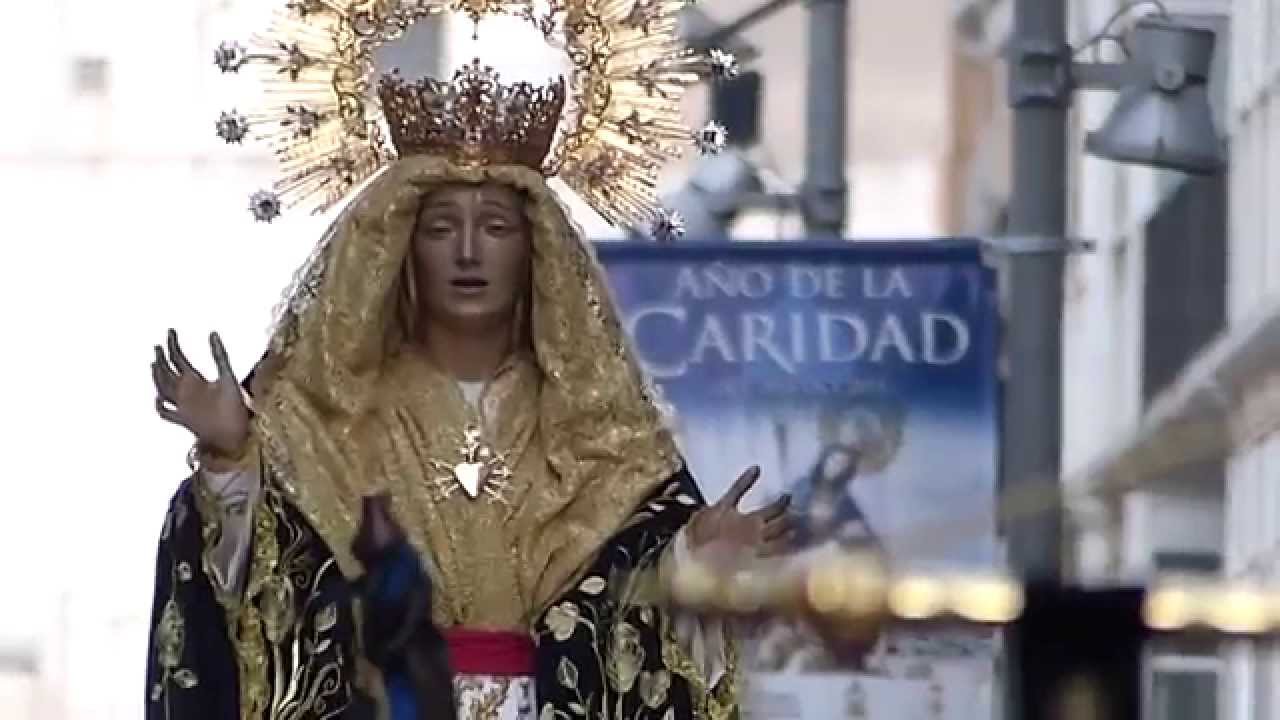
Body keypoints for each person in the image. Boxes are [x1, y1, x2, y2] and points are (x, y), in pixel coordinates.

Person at [144, 61, 793, 719]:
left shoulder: (599, 432)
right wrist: (232, 464)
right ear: (398, 248)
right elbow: (264, 596)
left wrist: (687, 559)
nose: (468, 252)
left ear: (536, 251)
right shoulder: (320, 418)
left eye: (496, 227)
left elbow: (631, 608)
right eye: (440, 227)